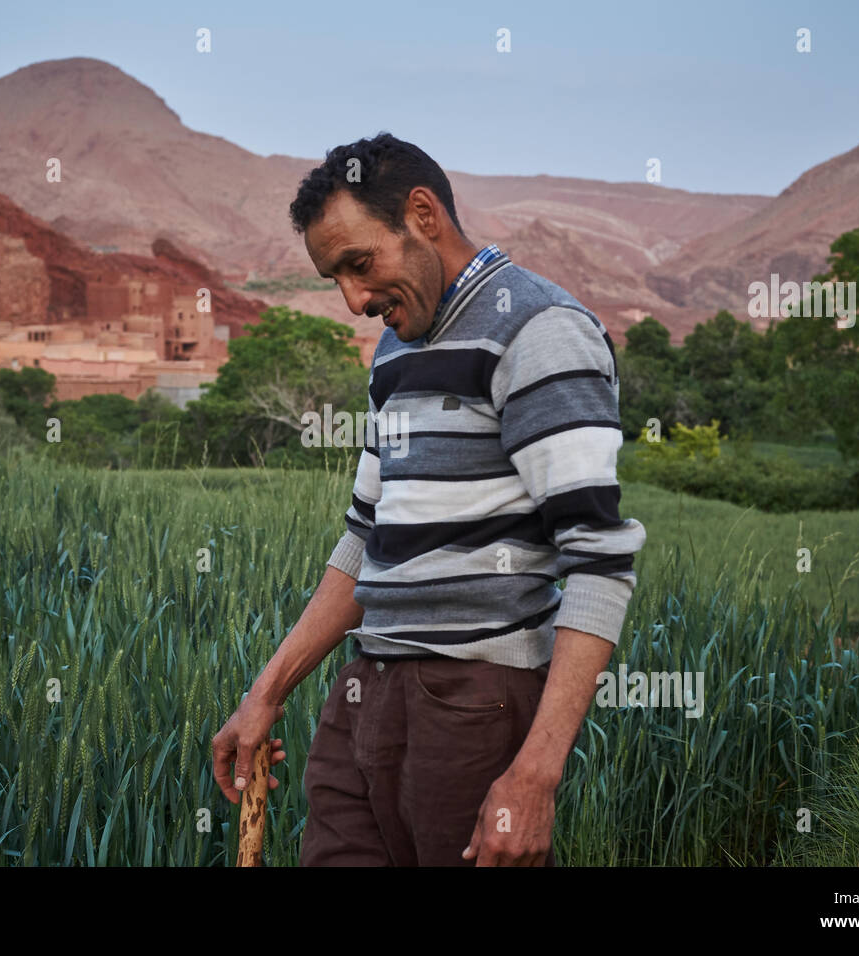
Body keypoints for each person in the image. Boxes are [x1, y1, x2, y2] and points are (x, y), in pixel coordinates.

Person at [211, 132, 646, 866]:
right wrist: (268, 691)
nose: (353, 300)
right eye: (334, 279)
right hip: (365, 693)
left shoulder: (539, 332)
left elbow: (600, 562)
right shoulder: (396, 348)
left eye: (360, 264)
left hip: (475, 702)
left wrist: (536, 775)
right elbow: (365, 539)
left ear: (423, 214)